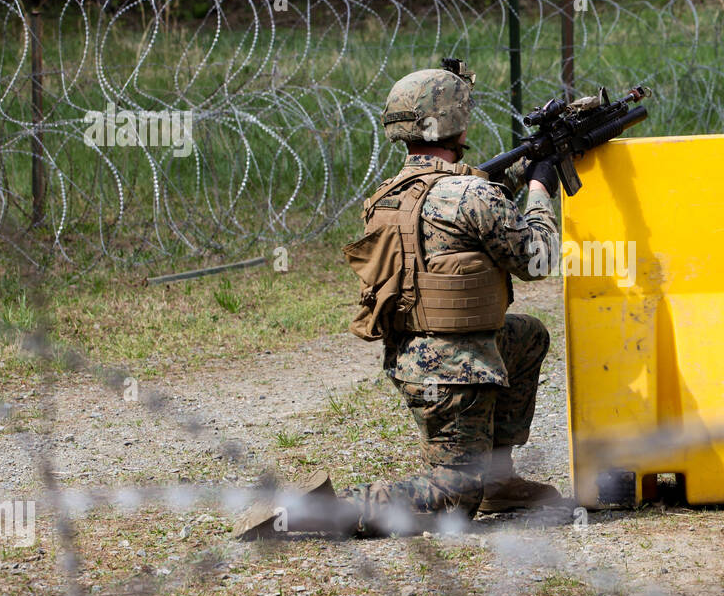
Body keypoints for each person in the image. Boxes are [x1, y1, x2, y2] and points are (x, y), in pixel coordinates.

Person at [237, 60, 564, 539]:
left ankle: (498, 477)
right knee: (453, 498)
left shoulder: (390, 196)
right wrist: (538, 189)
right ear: (457, 123)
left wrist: (525, 164)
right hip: (455, 374)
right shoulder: (472, 193)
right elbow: (537, 259)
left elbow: (467, 208)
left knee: (526, 335)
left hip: (417, 362)